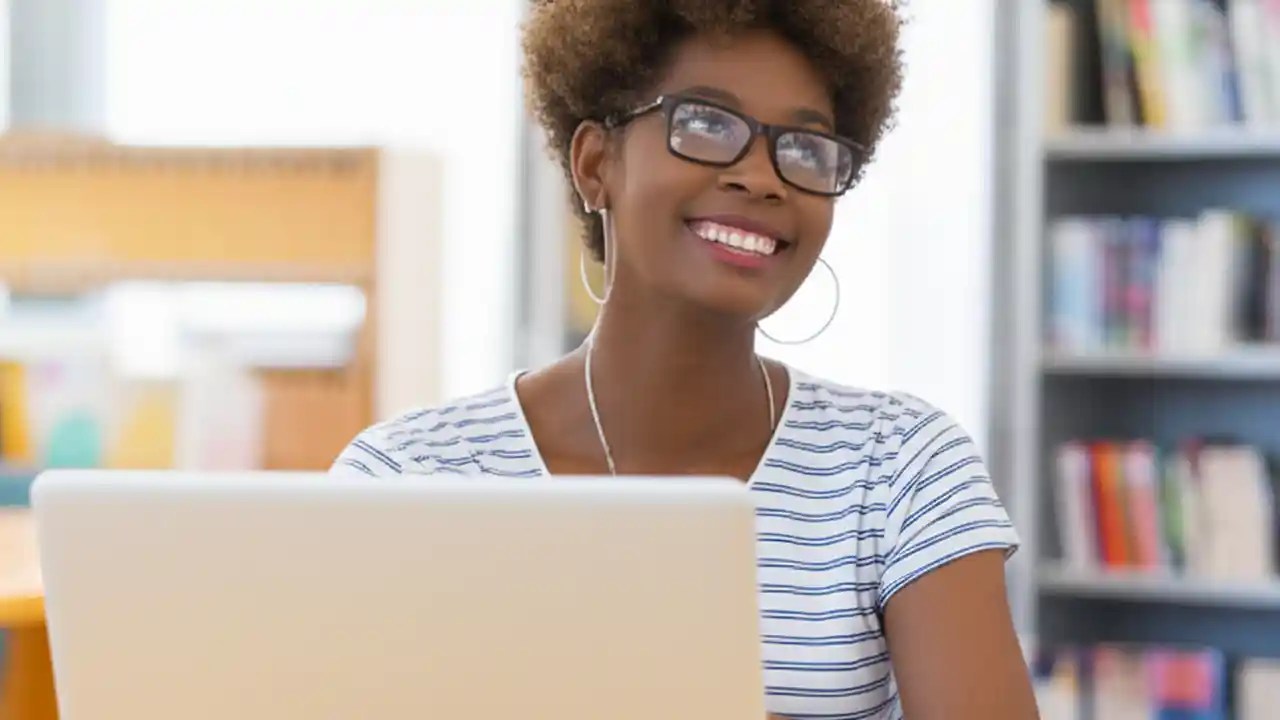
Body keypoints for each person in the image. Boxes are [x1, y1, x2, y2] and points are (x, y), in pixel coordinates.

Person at [332, 1, 1040, 718]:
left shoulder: (900, 470)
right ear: (595, 163)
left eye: (804, 146)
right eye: (705, 123)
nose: (764, 177)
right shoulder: (408, 478)